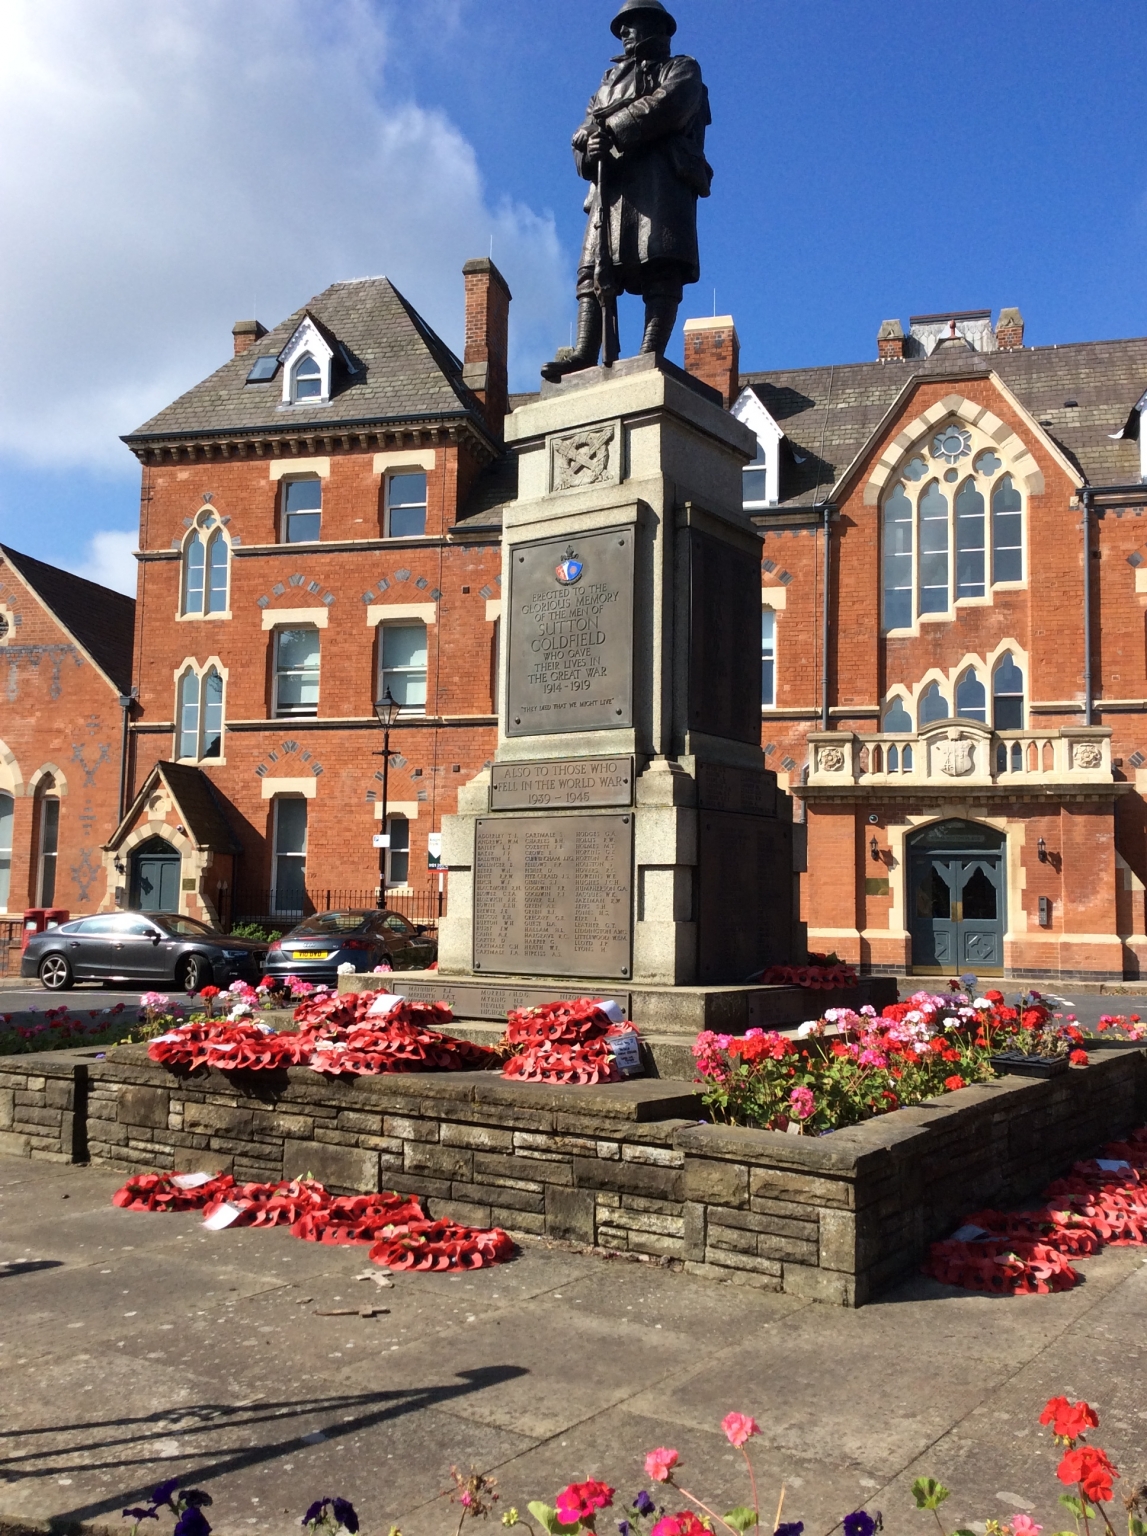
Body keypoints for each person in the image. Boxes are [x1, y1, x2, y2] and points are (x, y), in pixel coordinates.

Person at [541, 0, 712, 382]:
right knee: (593, 272)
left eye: (632, 24)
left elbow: (669, 104)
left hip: (660, 183)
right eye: (622, 26)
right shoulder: (606, 85)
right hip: (612, 190)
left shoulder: (683, 68)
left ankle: (650, 349)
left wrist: (612, 129)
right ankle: (586, 349)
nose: (624, 32)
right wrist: (588, 149)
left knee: (661, 265)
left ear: (657, 27)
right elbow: (583, 134)